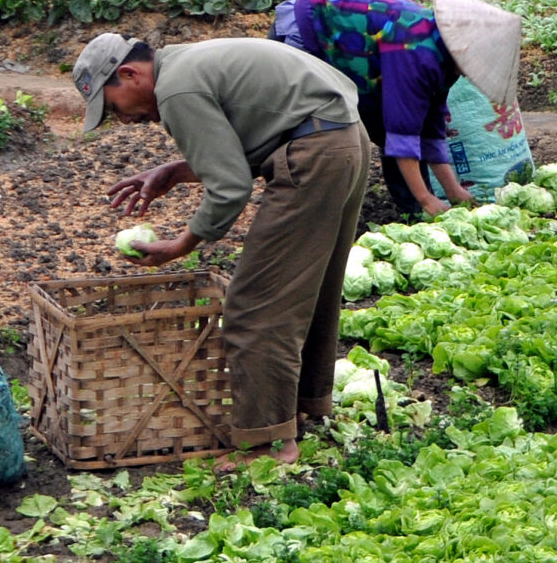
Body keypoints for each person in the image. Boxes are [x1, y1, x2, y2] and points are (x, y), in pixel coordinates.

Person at [78, 32, 370, 466]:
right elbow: (257, 134)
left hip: (314, 154)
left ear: (128, 73)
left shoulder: (176, 88)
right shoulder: (190, 62)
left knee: (255, 305)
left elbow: (230, 187)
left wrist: (183, 243)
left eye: (114, 106)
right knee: (311, 290)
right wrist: (177, 171)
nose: (122, 120)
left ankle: (267, 444)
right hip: (344, 140)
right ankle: (304, 405)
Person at [271, 0, 523, 217]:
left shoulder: (443, 56)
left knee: (393, 127)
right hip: (308, 34)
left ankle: (411, 208)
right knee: (319, 135)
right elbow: (402, 130)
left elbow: (430, 124)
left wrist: (454, 190)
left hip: (356, 50)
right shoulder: (418, 53)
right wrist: (426, 199)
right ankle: (306, 213)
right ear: (466, 50)